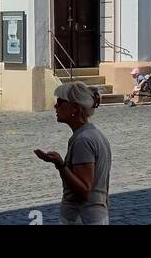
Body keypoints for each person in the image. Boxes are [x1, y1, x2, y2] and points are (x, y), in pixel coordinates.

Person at [35, 80, 112, 225]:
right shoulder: (94, 135)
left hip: (82, 217)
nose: (55, 106)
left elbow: (84, 191)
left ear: (74, 107)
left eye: (60, 102)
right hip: (94, 215)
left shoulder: (83, 140)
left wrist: (60, 165)